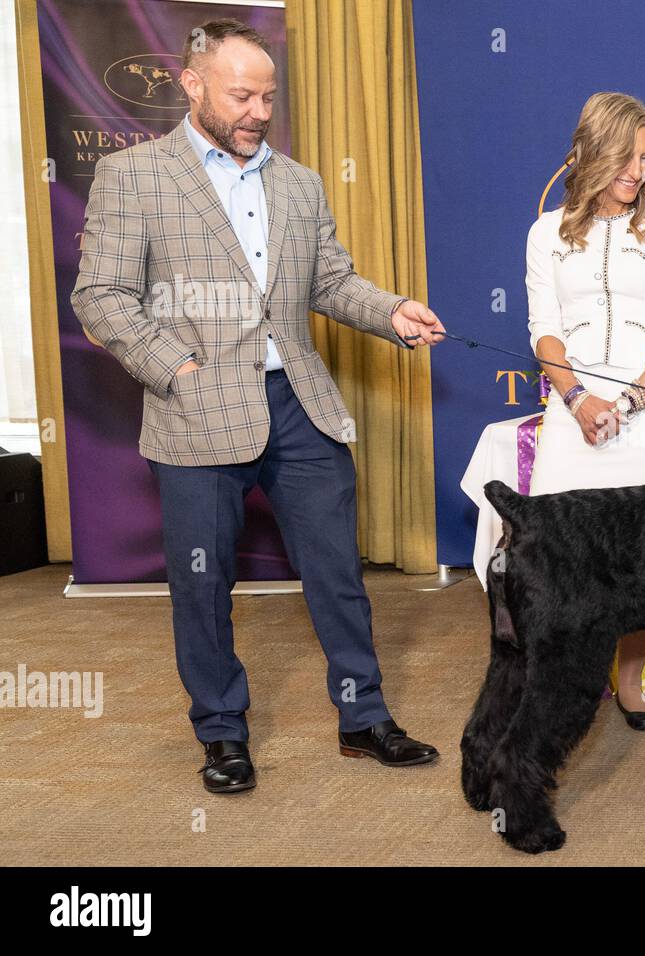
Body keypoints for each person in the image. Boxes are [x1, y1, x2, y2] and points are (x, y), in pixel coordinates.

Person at [71, 18, 447, 793]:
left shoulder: (299, 183)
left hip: (298, 404)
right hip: (195, 407)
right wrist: (174, 366)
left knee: (337, 572)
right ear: (193, 84)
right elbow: (100, 295)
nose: (258, 112)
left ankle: (364, 717)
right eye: (242, 95)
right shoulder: (133, 175)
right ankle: (221, 733)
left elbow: (329, 282)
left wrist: (392, 311)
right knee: (202, 583)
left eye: (268, 97)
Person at [525, 91, 645, 730]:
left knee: (638, 559)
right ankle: (559, 675)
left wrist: (628, 401)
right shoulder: (546, 232)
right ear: (588, 154)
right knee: (553, 550)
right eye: (624, 157)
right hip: (571, 408)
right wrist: (577, 398)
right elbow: (544, 328)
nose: (637, 171)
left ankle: (630, 682)